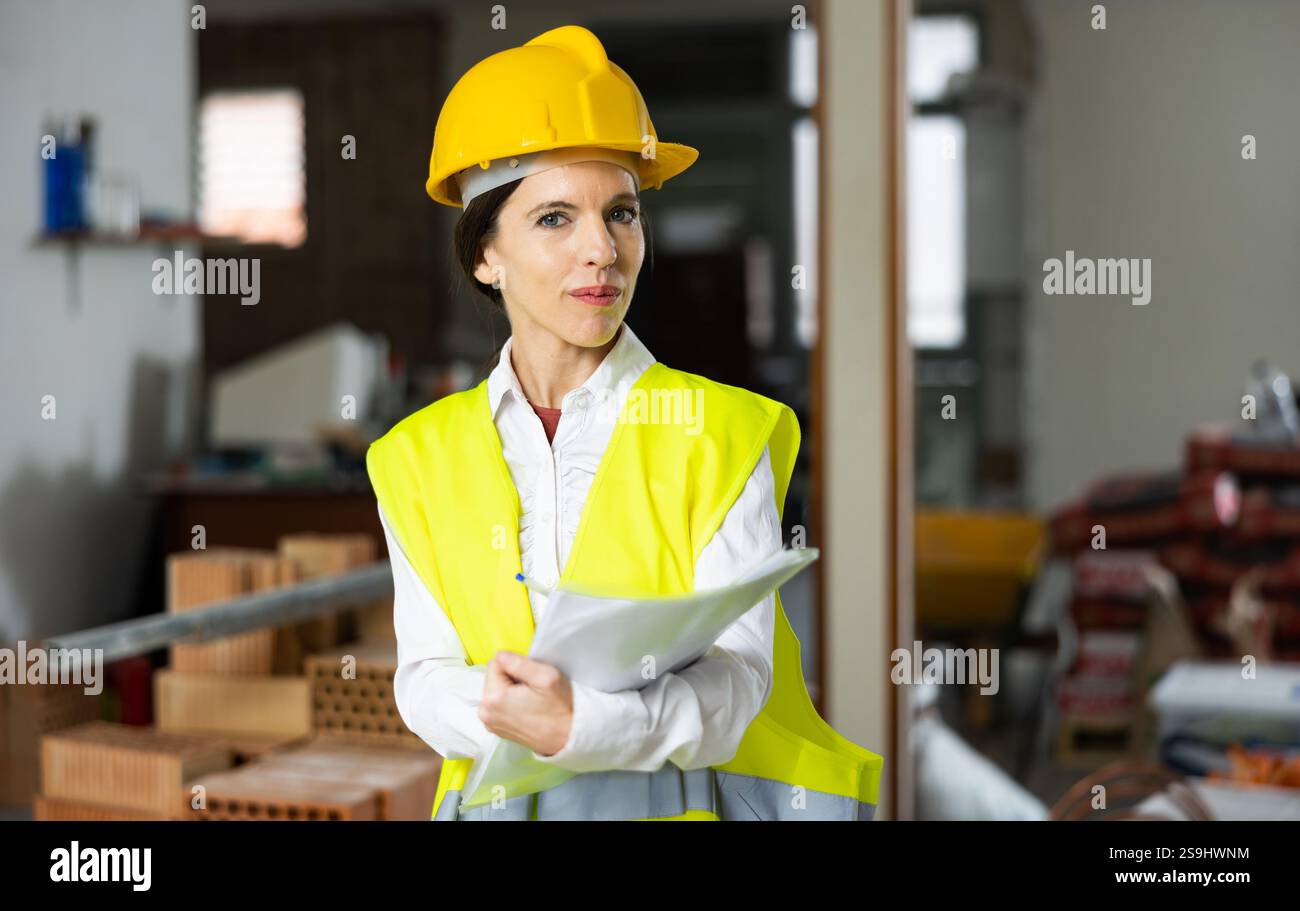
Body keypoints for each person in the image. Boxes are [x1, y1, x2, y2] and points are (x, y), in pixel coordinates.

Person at [367, 24, 881, 821]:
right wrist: (517, 717)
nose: (602, 249)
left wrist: (590, 726)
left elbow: (741, 677)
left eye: (621, 213)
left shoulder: (721, 432)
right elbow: (423, 674)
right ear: (484, 254)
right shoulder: (414, 459)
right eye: (554, 219)